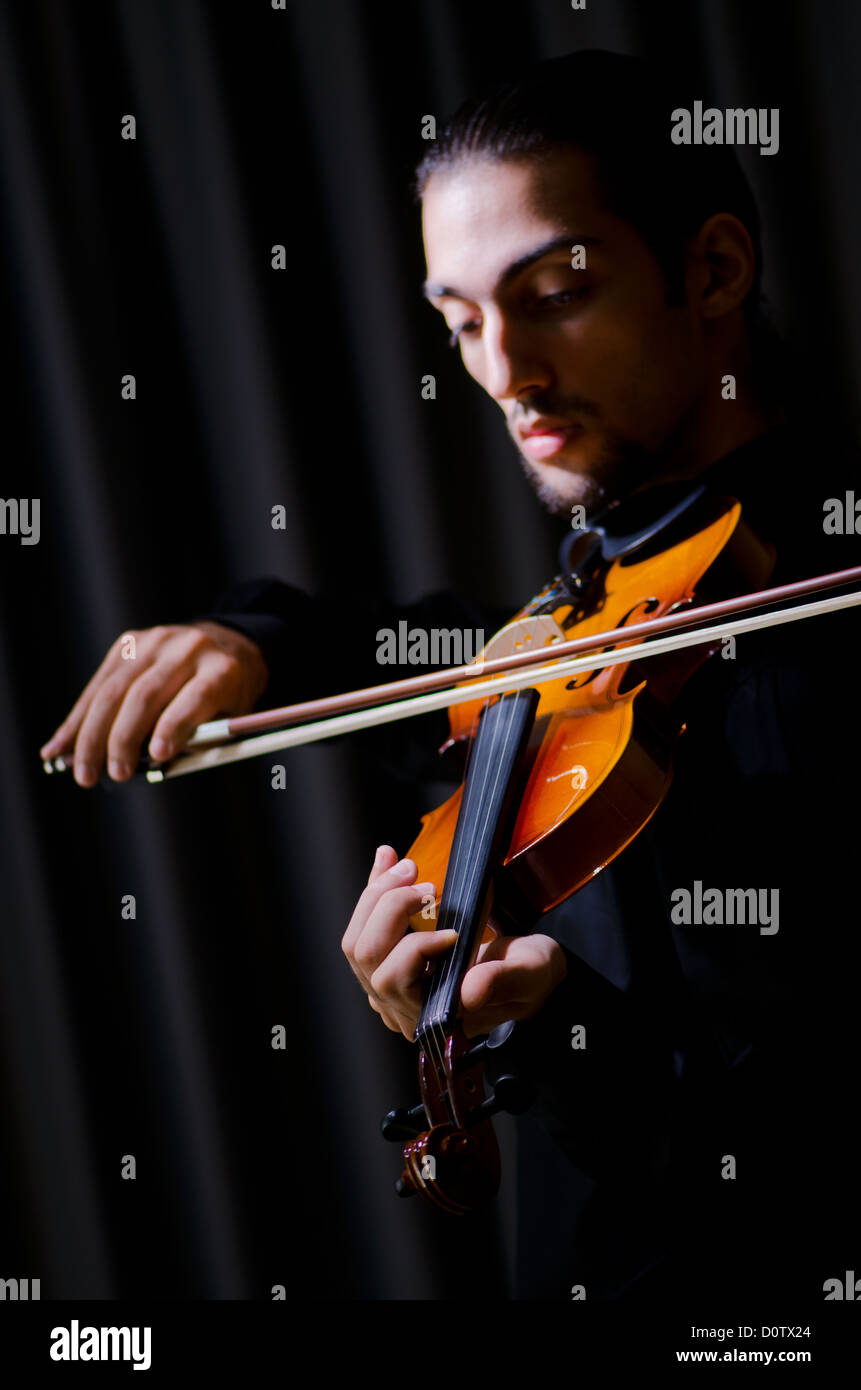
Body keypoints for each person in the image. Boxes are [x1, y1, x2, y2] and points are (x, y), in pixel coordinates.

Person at [41, 52, 860, 1302]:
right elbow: (461, 657)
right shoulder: (604, 603)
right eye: (462, 319)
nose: (503, 373)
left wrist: (563, 1037)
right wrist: (258, 638)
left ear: (713, 270)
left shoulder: (808, 632)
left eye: (553, 293)